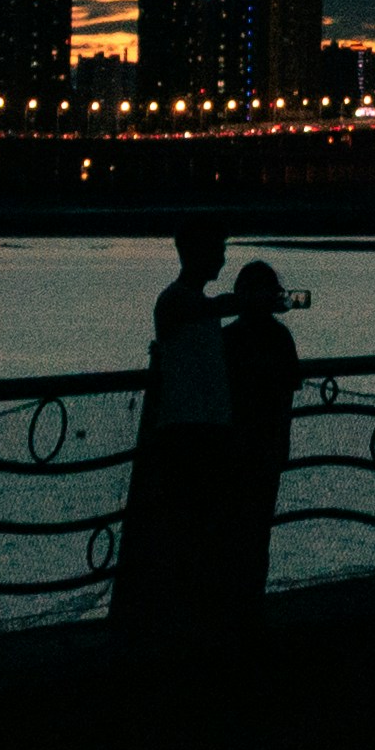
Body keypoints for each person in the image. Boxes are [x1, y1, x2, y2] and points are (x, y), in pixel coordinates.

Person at [117, 231, 237, 632]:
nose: (222, 261)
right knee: (188, 523)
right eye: (218, 252)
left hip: (202, 429)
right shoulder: (177, 301)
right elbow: (198, 314)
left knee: (195, 524)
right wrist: (242, 303)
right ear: (197, 255)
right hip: (187, 432)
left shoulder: (191, 304)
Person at [217, 259, 305, 623]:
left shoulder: (227, 338)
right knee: (257, 530)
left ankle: (226, 604)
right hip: (266, 444)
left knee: (228, 528)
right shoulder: (280, 337)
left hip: (231, 446)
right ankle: (251, 601)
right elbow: (289, 388)